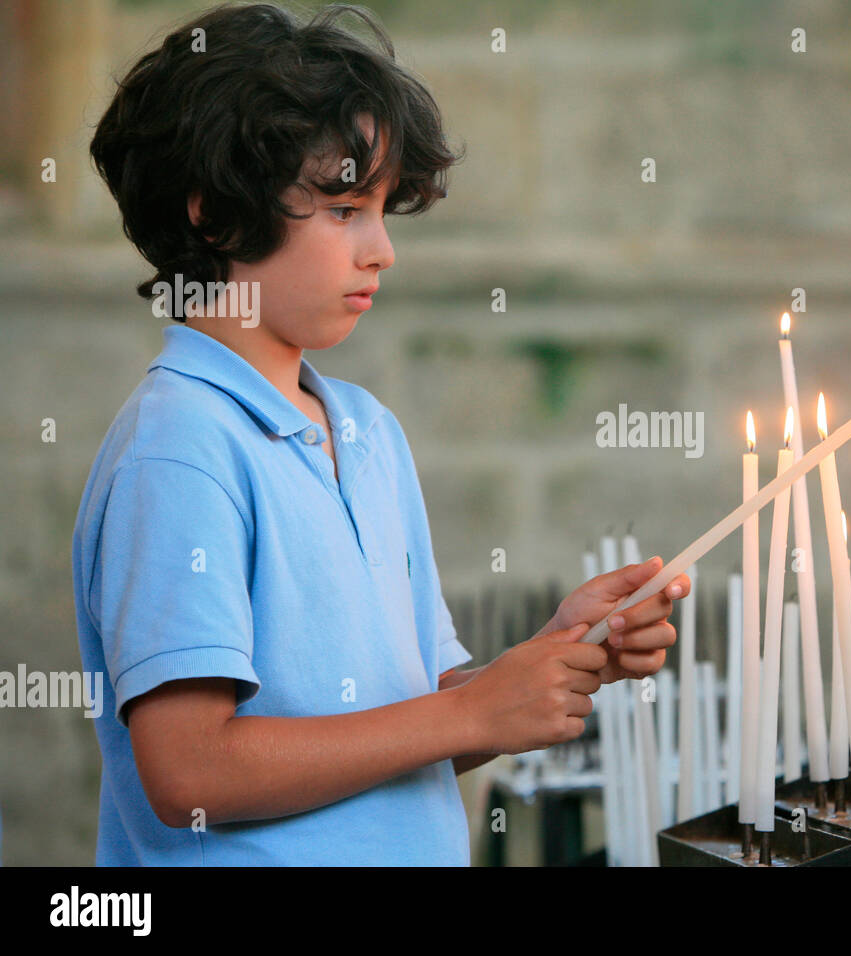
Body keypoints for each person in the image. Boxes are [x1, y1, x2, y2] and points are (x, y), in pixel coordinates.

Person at [73, 2, 686, 865]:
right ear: (213, 216)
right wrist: (469, 712)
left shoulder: (367, 430)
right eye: (343, 209)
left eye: (384, 210)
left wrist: (548, 661)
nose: (381, 251)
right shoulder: (179, 447)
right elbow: (190, 774)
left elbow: (417, 717)